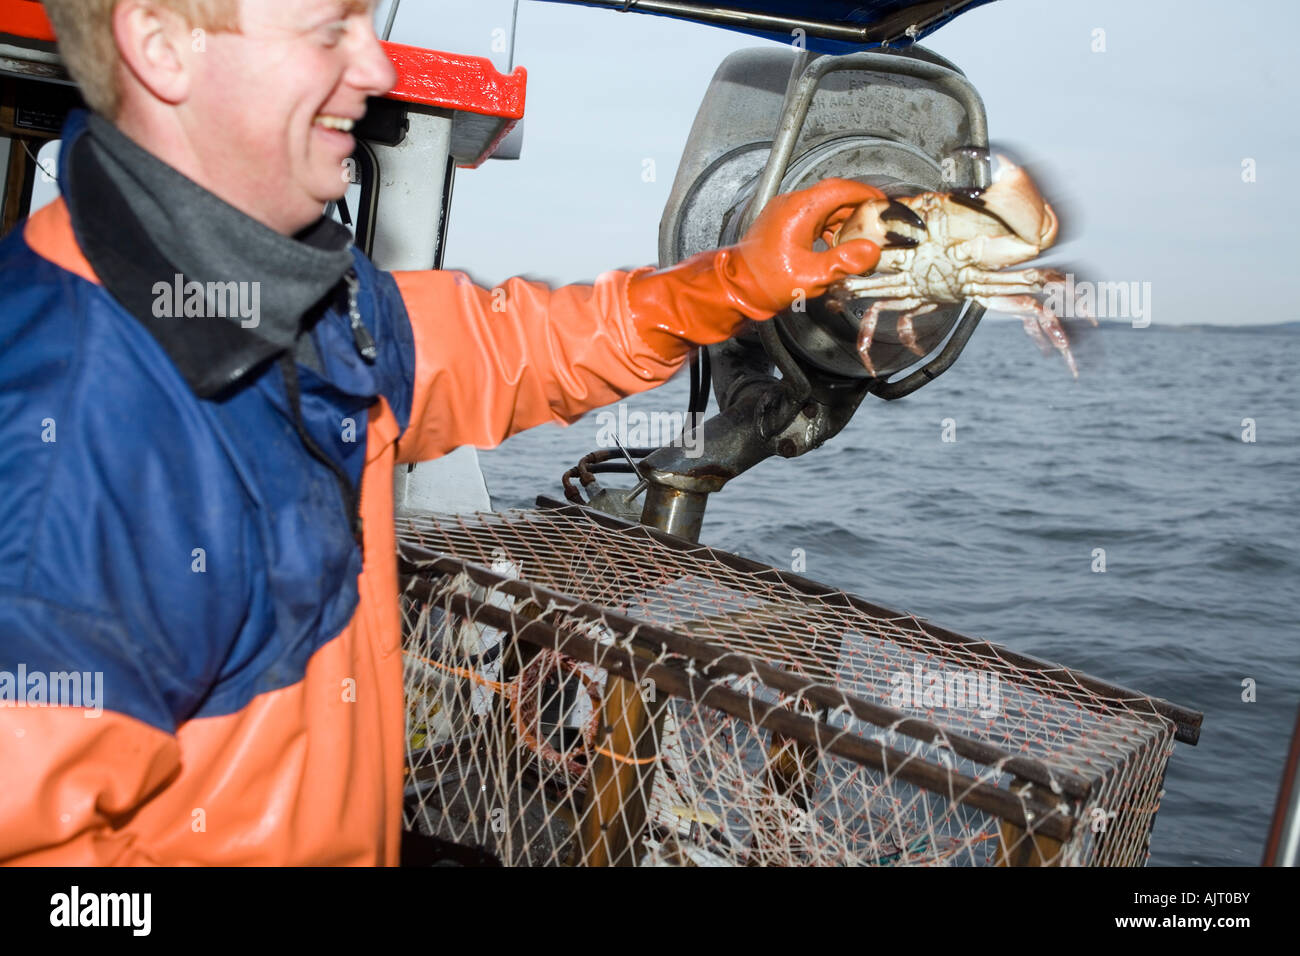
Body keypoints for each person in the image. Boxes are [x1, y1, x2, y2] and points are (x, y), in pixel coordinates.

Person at [0, 0, 882, 864]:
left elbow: (508, 347)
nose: (374, 67)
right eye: (327, 29)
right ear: (162, 47)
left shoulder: (295, 297)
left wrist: (731, 281)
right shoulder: (69, 439)